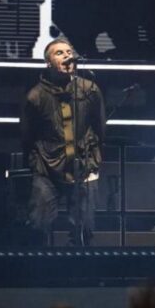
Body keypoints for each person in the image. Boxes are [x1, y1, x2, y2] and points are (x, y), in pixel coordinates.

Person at [21, 38, 106, 246]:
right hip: (47, 167)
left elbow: (100, 127)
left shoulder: (90, 90)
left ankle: (81, 272)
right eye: (59, 53)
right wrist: (36, 163)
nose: (67, 55)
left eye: (69, 51)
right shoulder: (35, 97)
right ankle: (37, 272)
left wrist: (94, 158)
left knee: (84, 228)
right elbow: (27, 136)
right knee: (38, 223)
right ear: (48, 63)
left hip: (83, 166)